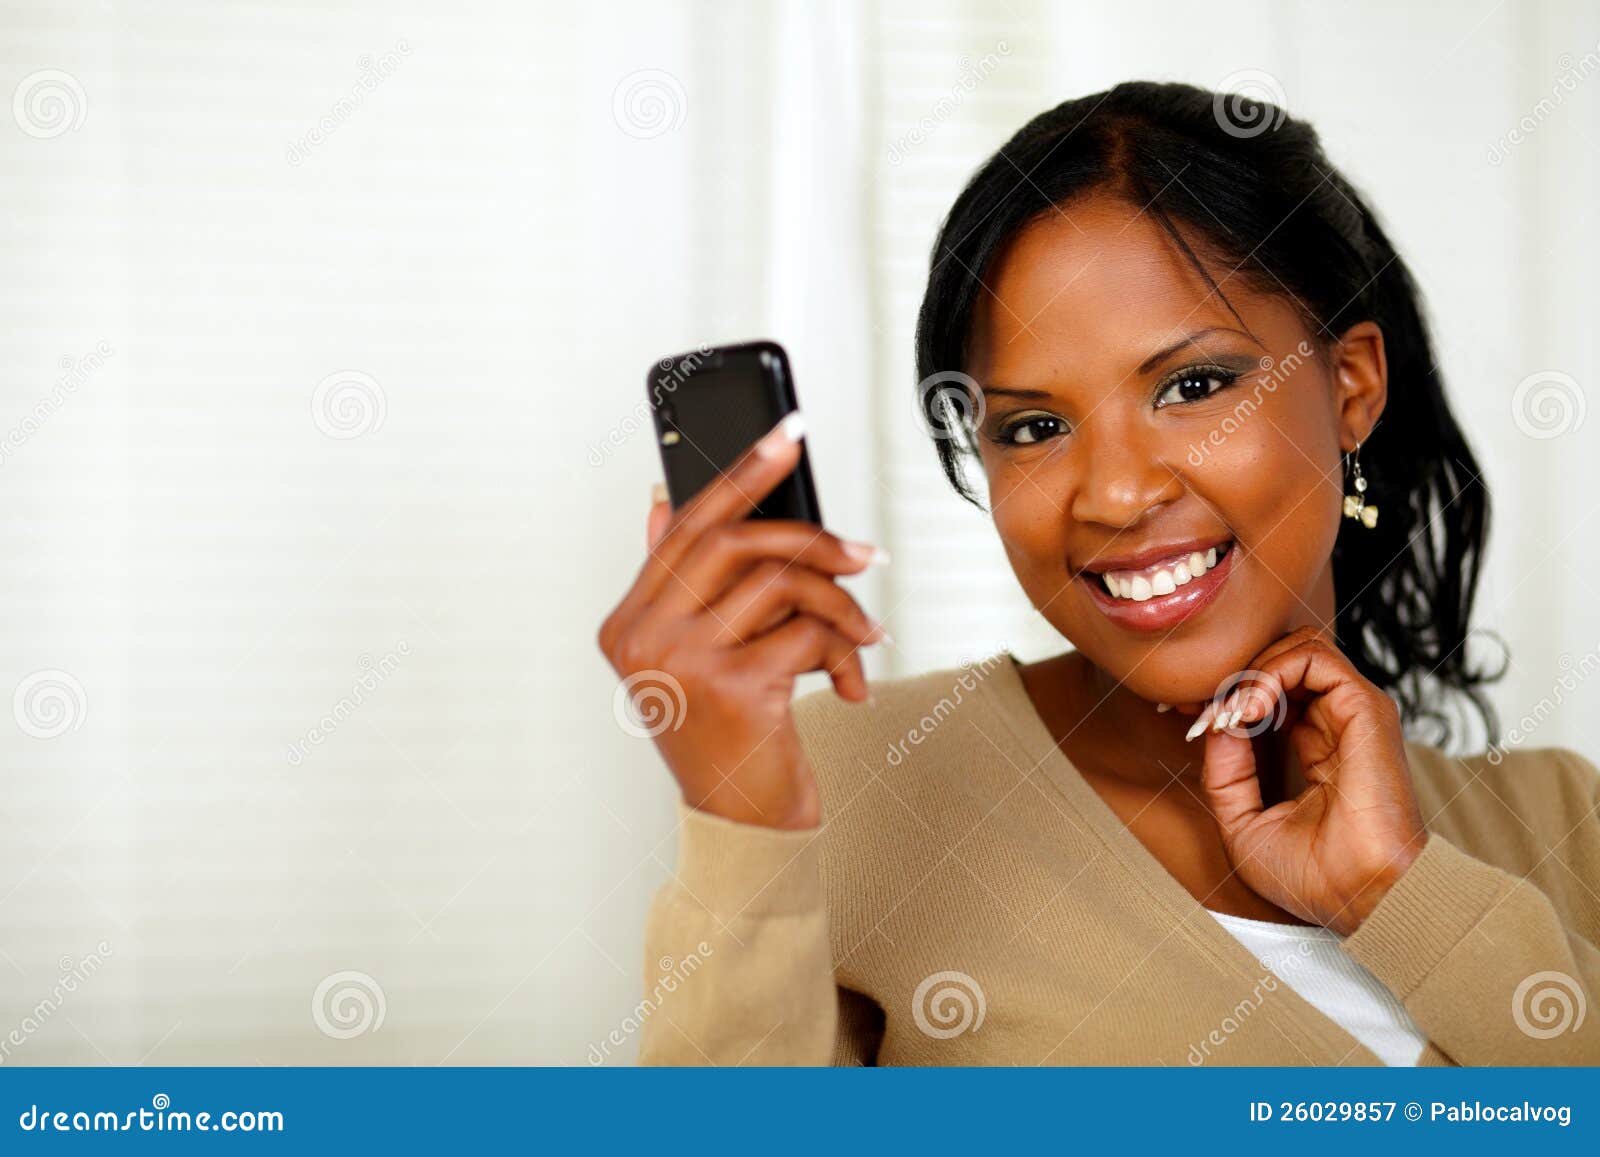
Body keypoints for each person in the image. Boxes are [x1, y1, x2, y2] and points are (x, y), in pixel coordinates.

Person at [597, 81, 1600, 1065]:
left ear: (1350, 386)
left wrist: (1403, 894)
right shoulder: (859, 784)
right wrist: (746, 821)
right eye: (1034, 426)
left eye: (1193, 385)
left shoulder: (1560, 818)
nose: (1114, 493)